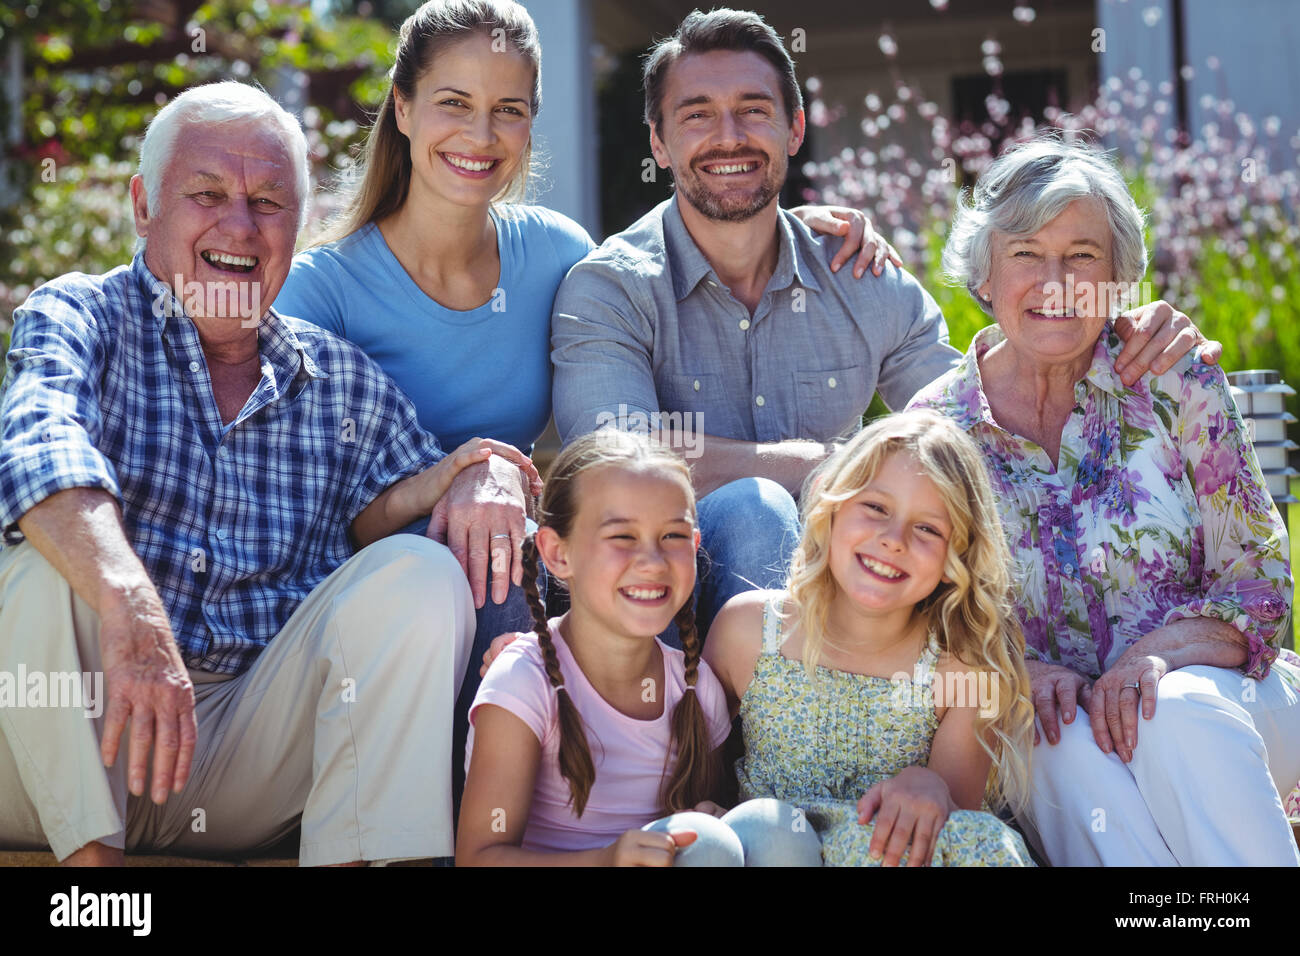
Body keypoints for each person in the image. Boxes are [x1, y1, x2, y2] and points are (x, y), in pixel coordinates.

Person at [273, 0, 899, 796]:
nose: (481, 135)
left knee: (729, 518)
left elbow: (683, 237)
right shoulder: (319, 291)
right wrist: (455, 480)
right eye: (453, 104)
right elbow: (311, 507)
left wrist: (785, 225)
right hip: (400, 581)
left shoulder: (554, 253)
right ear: (401, 107)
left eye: (509, 110)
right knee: (488, 552)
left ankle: (746, 802)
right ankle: (487, 821)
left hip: (539, 549)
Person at [551, 7, 1217, 645]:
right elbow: (614, 462)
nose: (730, 136)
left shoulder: (860, 275)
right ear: (658, 142)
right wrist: (820, 465)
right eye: (697, 115)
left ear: (795, 128)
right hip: (653, 594)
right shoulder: (612, 287)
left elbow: (973, 422)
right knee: (756, 508)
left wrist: (1104, 322)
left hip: (852, 598)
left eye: (754, 111)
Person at [0, 81, 538, 866]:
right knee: (40, 563)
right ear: (144, 205)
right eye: (207, 194)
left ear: (302, 223)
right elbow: (36, 449)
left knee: (418, 573)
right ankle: (95, 891)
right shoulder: (79, 316)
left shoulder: (338, 381)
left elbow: (421, 486)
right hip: (54, 748)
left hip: (234, 758)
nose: (240, 226)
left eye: (269, 201)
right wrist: (134, 616)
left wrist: (478, 476)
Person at [909, 135, 1300, 866]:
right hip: (1058, 726)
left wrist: (1151, 660)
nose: (1056, 280)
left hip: (1224, 704)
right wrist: (1014, 672)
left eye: (1083, 256)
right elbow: (921, 629)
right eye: (1026, 252)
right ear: (984, 276)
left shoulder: (1175, 381)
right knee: (1058, 750)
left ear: (1118, 277)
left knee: (1171, 714)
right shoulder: (935, 432)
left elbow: (1261, 582)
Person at [458, 429, 827, 866]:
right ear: (558, 554)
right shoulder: (522, 682)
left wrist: (710, 814)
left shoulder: (696, 687)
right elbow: (479, 857)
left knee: (775, 830)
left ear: (694, 547)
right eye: (622, 537)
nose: (652, 561)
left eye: (672, 536)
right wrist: (606, 859)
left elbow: (701, 828)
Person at [703, 411, 1036, 866]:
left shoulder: (962, 665)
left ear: (958, 552)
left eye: (928, 529)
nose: (893, 539)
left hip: (885, 856)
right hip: (771, 849)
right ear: (831, 506)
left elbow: (954, 827)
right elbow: (697, 780)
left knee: (985, 842)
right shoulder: (748, 630)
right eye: (876, 508)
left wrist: (931, 787)